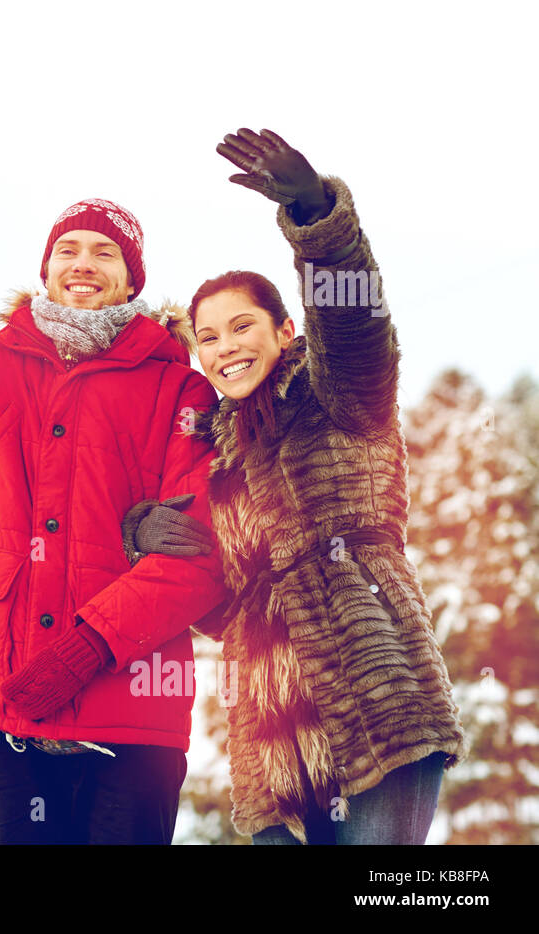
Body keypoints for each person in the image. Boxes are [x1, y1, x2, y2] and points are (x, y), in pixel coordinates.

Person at [0, 82, 227, 845]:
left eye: (105, 252)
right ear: (44, 271)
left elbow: (200, 550)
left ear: (132, 279)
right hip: (7, 690)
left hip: (132, 698)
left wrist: (91, 643)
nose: (83, 261)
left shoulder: (181, 387)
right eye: (67, 248)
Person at [129, 128, 466, 844]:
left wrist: (317, 221)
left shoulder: (339, 396)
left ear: (284, 329)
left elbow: (353, 325)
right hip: (274, 746)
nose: (225, 348)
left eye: (242, 326)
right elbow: (221, 610)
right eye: (208, 337)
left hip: (378, 707)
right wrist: (144, 540)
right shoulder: (216, 463)